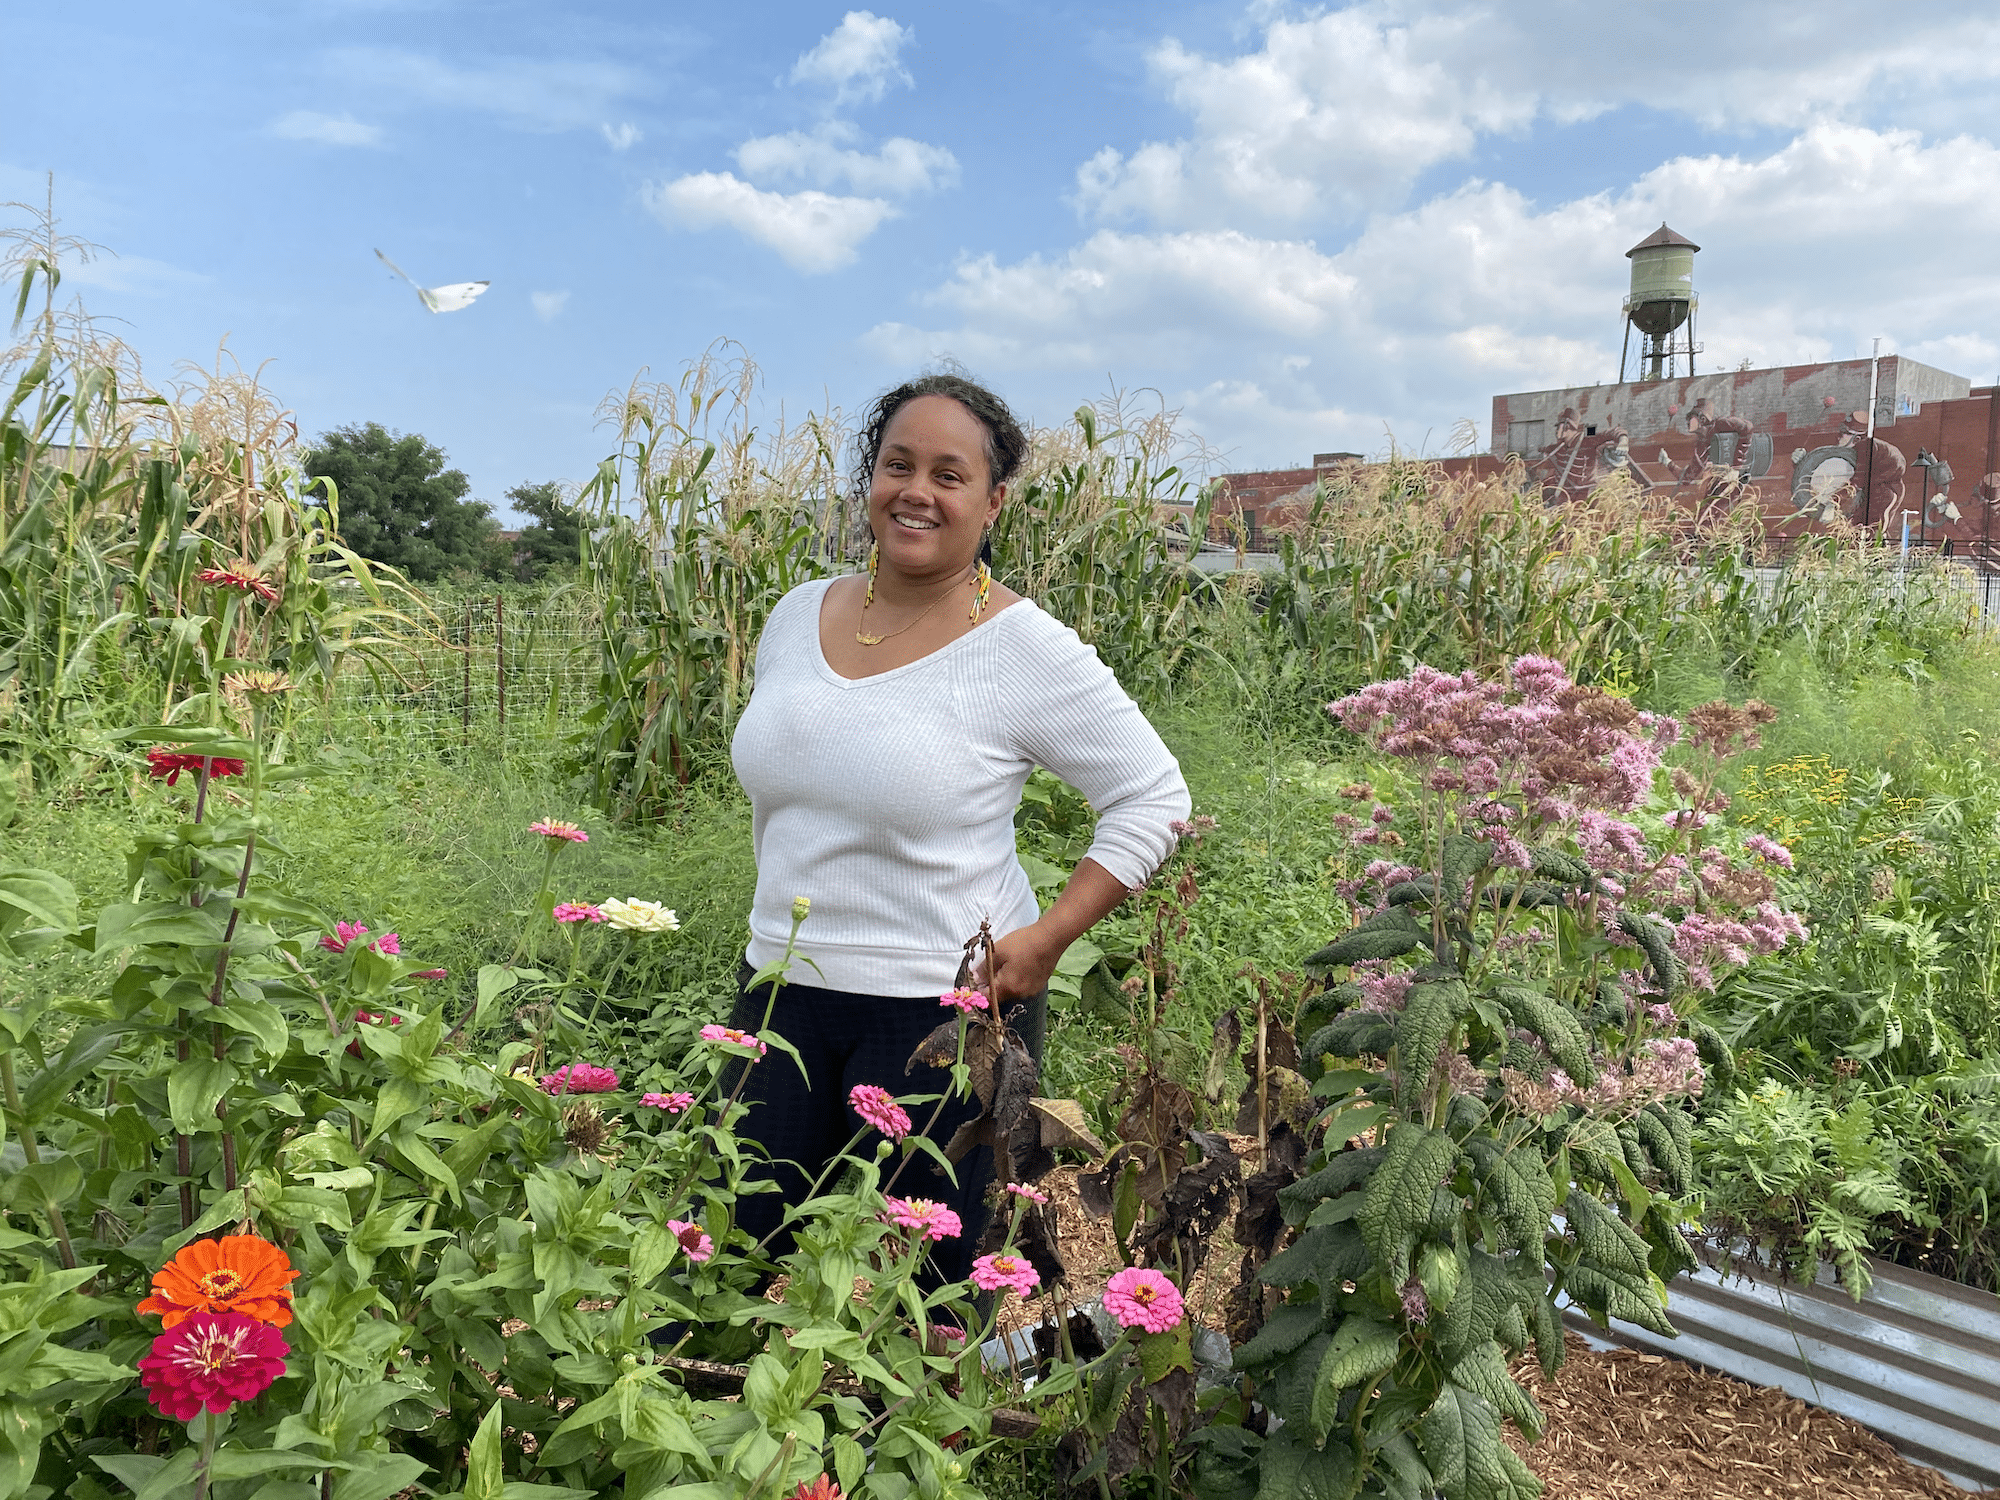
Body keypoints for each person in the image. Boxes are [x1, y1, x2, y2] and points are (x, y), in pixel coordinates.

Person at [724, 373, 1192, 1283]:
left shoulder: (1024, 649)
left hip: (940, 1016)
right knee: (730, 1254)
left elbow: (1152, 796)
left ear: (993, 501)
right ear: (871, 480)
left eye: (949, 474)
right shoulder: (796, 616)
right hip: (778, 991)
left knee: (922, 1291)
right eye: (898, 465)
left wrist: (1048, 940)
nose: (917, 492)